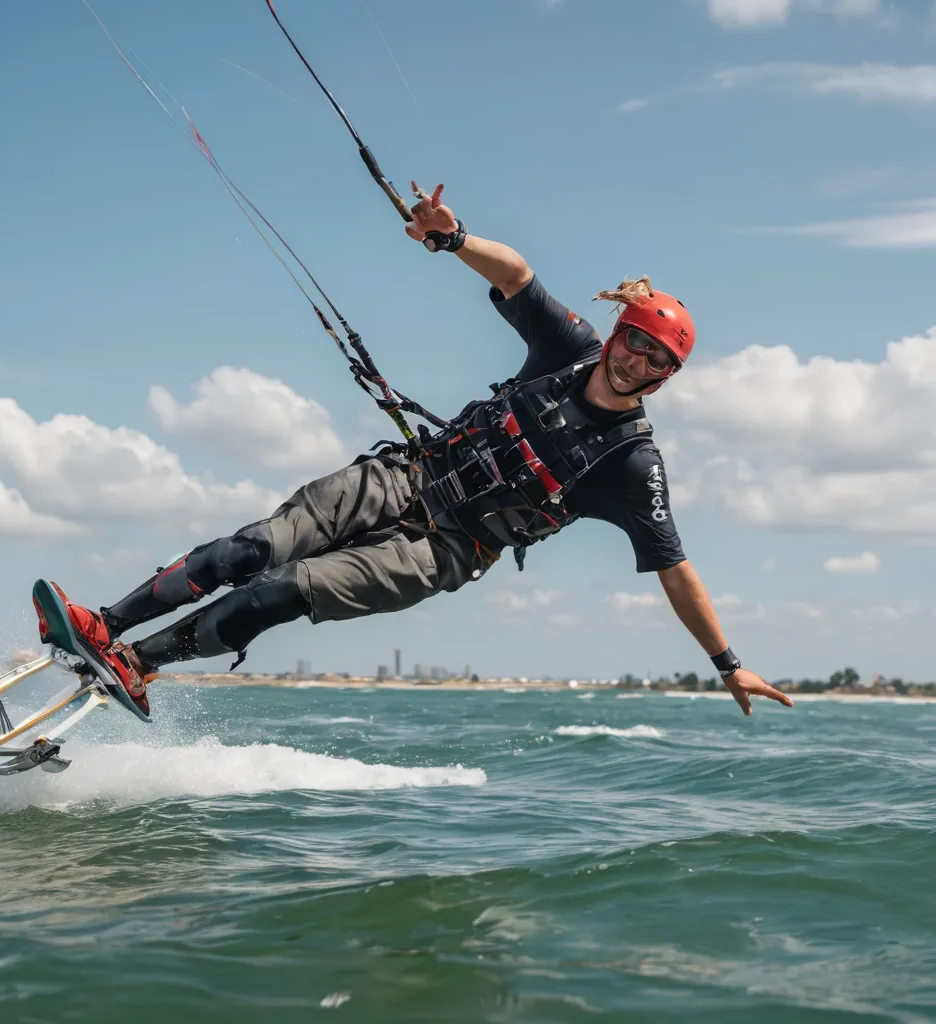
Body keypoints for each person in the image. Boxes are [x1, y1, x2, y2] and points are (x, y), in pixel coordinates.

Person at [40, 183, 793, 719]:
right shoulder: (570, 348)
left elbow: (675, 567)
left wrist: (728, 664)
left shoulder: (633, 465)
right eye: (635, 342)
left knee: (280, 590)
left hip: (445, 551)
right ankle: (104, 624)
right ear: (619, 332)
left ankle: (138, 665)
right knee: (254, 548)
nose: (636, 362)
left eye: (658, 360)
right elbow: (518, 276)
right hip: (407, 475)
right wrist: (455, 238)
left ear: (667, 377)